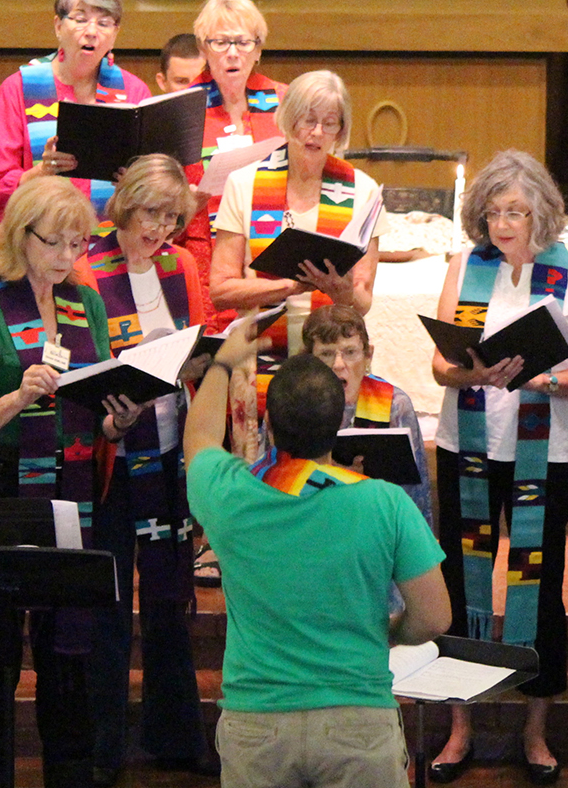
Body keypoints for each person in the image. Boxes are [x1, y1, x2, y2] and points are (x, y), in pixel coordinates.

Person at [186, 330, 449, 788]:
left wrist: (223, 364)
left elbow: (200, 437)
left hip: (257, 721)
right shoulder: (385, 503)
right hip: (357, 720)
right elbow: (434, 617)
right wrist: (386, 632)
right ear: (337, 427)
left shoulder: (229, 494)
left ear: (269, 425)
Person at [0, 177, 135, 788]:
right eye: (55, 243)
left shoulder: (87, 304)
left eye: (77, 245)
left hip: (69, 492)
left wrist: (116, 422)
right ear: (20, 235)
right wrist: (17, 395)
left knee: (67, 656)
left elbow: (96, 410)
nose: (68, 258)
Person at [427, 150, 568, 785]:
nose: (505, 224)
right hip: (468, 443)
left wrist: (548, 378)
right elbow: (441, 365)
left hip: (542, 449)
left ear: (542, 214)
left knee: (540, 584)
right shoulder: (461, 265)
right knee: (460, 584)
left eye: (519, 212)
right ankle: (460, 726)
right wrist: (467, 372)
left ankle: (535, 730)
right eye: (496, 211)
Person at [75, 156, 209, 784]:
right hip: (111, 459)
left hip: (170, 455)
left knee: (168, 600)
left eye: (172, 218)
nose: (161, 230)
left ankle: (175, 736)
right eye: (151, 215)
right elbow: (79, 369)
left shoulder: (182, 266)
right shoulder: (87, 273)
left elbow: (201, 343)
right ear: (124, 207)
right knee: (108, 604)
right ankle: (102, 745)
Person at [209, 69, 384, 462]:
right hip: (260, 356)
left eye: (329, 123)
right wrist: (291, 287)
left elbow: (363, 301)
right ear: (288, 119)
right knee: (265, 488)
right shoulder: (245, 184)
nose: (316, 132)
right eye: (307, 119)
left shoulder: (362, 191)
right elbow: (220, 290)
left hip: (333, 361)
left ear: (341, 130)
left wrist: (335, 287)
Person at [0, 0, 151, 224]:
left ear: (115, 34)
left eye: (104, 23)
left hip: (110, 246)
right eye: (80, 19)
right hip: (36, 238)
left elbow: (150, 183)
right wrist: (41, 172)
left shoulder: (134, 91)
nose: (92, 32)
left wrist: (135, 182)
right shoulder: (17, 88)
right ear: (58, 26)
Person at [173, 0, 286, 331]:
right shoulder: (179, 109)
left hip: (271, 252)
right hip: (202, 259)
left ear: (259, 49)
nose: (233, 53)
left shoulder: (284, 100)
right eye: (221, 43)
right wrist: (186, 203)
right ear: (204, 50)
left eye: (243, 42)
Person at [301, 303, 433, 528]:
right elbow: (271, 480)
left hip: (376, 526)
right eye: (326, 354)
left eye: (350, 352)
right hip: (312, 527)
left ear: (368, 355)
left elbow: (416, 496)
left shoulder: (394, 405)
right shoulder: (295, 402)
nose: (338, 365)